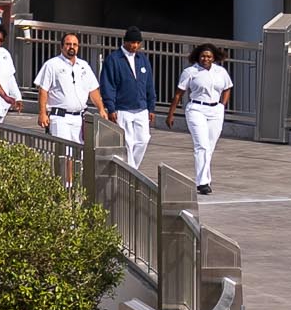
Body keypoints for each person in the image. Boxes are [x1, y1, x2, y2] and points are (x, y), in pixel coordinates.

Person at [167, 43, 233, 195]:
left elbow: (228, 87)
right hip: (196, 109)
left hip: (215, 110)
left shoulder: (221, 72)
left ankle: (205, 179)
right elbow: (178, 94)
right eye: (203, 56)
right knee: (201, 145)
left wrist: (222, 105)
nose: (206, 59)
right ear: (198, 57)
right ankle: (202, 182)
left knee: (209, 147)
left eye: (209, 56)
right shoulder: (190, 72)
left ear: (214, 57)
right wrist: (171, 114)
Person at [34, 31, 108, 145]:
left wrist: (101, 109)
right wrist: (42, 113)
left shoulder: (84, 66)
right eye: (68, 44)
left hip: (80, 117)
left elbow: (93, 90)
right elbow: (43, 90)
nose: (71, 47)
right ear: (62, 46)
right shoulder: (52, 65)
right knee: (65, 152)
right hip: (60, 117)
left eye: (75, 44)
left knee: (80, 154)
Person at [100, 27, 156, 170]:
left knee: (143, 140)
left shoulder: (142, 59)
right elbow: (108, 85)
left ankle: (132, 169)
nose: (135, 46)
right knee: (128, 142)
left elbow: (149, 84)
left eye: (138, 43)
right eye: (132, 42)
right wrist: (110, 107)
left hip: (141, 107)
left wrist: (151, 106)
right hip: (122, 107)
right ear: (125, 42)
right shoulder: (113, 59)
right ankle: (131, 171)